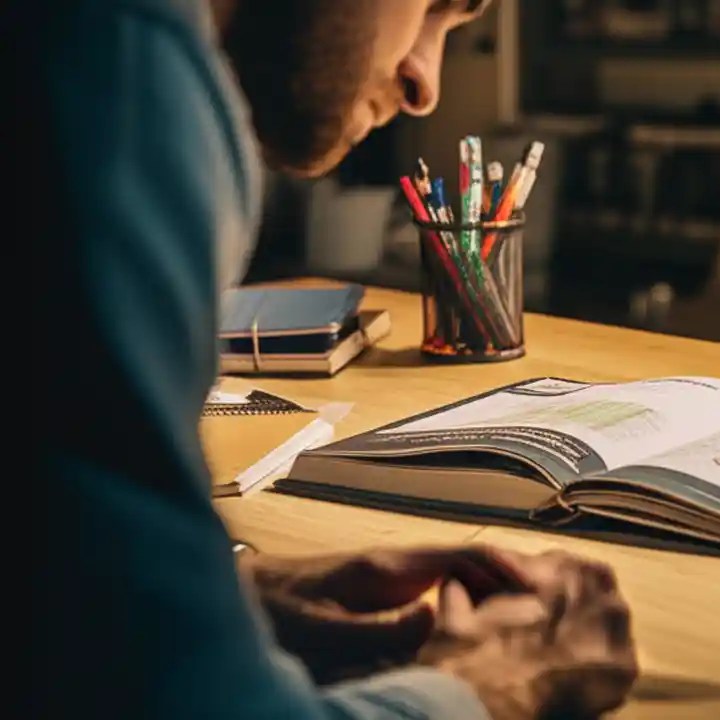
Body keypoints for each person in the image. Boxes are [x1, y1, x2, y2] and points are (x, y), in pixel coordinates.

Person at [31, 0, 638, 718]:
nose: (425, 83)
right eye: (437, 8)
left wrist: (235, 594)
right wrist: (496, 687)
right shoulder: (118, 76)